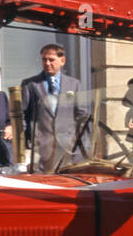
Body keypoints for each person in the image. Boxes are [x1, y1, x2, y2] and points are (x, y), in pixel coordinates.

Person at [21, 44, 88, 172]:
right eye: (44, 59)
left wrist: (79, 142)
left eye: (51, 59)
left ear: (62, 61)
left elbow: (82, 115)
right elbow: (24, 114)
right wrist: (25, 143)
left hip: (68, 146)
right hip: (40, 147)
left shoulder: (74, 84)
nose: (47, 63)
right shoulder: (30, 84)